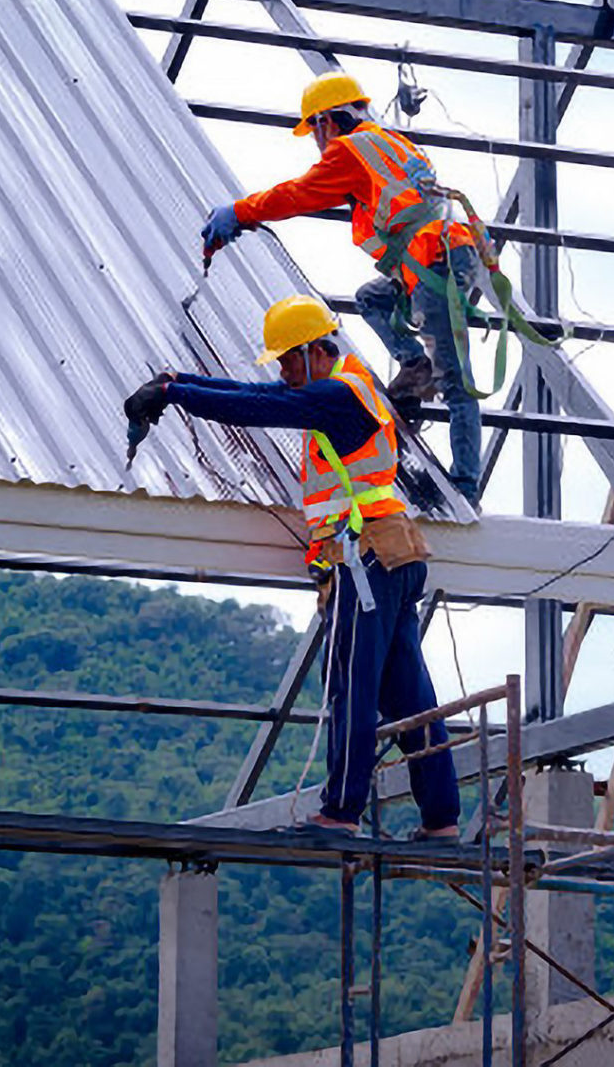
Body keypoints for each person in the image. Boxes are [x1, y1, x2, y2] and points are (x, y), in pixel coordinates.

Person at [123, 294, 461, 838]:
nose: (282, 370)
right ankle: (441, 818)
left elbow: (258, 407)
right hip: (396, 551)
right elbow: (258, 394)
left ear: (312, 350)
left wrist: (173, 394)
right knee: (408, 694)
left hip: (365, 558)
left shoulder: (334, 395)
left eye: (286, 358)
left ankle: (341, 812)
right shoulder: (348, 387)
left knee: (351, 685)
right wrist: (176, 383)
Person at [201, 72, 484, 504]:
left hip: (435, 265)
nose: (316, 141)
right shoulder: (391, 143)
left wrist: (240, 212)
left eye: (314, 129)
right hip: (438, 260)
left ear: (327, 122)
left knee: (458, 381)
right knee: (371, 299)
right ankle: (414, 366)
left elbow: (300, 193)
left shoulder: (350, 151)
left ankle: (466, 485)